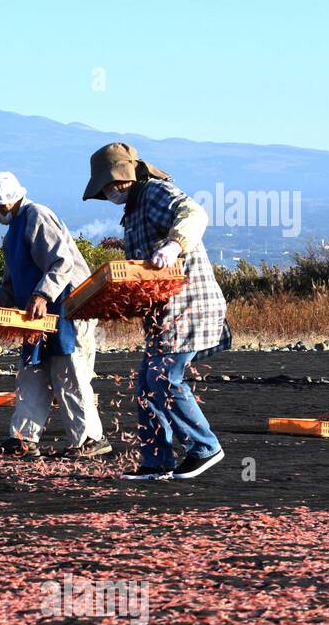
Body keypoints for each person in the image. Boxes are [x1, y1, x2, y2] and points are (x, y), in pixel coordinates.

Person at [82, 143, 231, 480]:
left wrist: (174, 244)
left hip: (189, 306)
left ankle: (205, 447)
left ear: (120, 179)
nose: (106, 193)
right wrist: (126, 246)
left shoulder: (154, 192)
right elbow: (149, 255)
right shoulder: (134, 207)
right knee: (147, 386)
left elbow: (194, 213)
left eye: (106, 186)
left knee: (165, 379)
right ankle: (156, 461)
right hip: (163, 315)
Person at [0, 172, 110, 459]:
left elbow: (61, 263)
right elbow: (11, 288)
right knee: (31, 374)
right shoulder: (13, 233)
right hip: (38, 315)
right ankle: (23, 438)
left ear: (4, 201)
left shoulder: (37, 215)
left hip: (68, 309)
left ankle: (90, 439)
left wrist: (41, 294)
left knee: (68, 372)